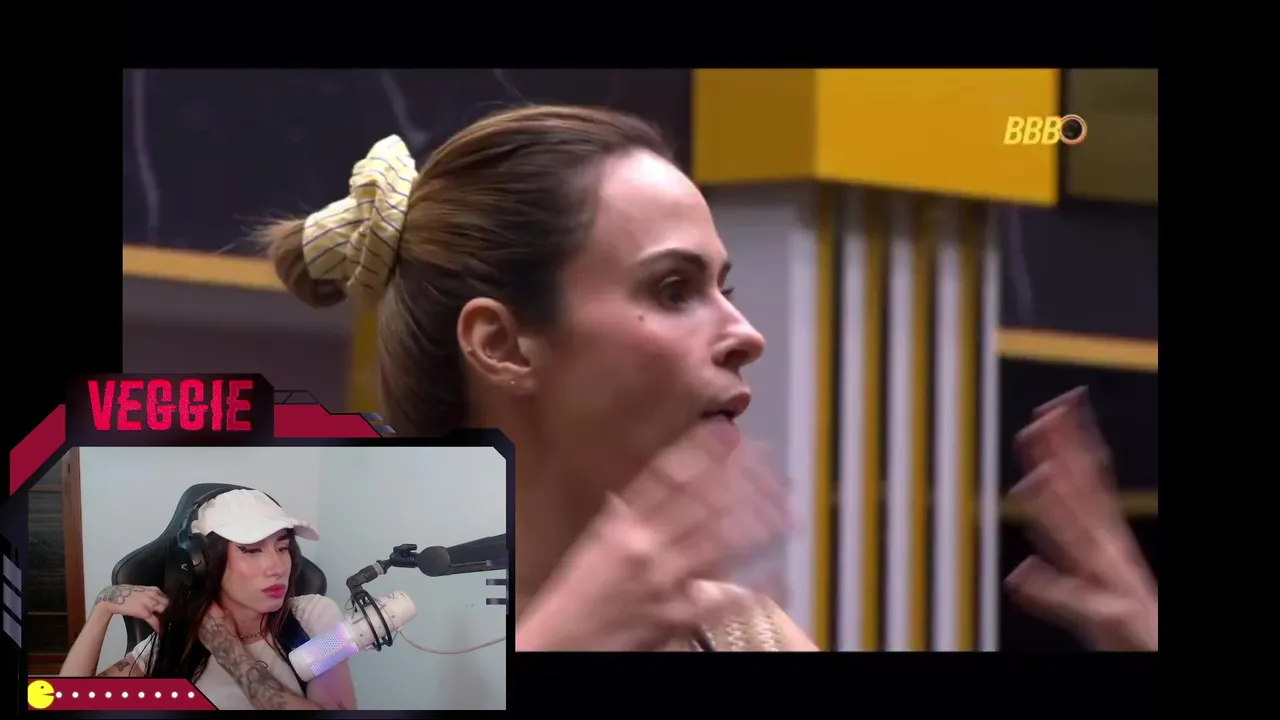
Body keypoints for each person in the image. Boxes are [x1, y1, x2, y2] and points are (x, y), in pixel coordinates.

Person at [259, 104, 1156, 651]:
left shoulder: (740, 634)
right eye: (673, 289)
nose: (746, 336)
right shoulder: (311, 637)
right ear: (503, 345)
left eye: (726, 288)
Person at [60, 489, 359, 708]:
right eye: (252, 550)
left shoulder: (315, 618)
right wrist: (102, 607)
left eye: (283, 548)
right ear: (203, 562)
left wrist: (228, 648)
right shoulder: (176, 640)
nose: (278, 568)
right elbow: (69, 701)